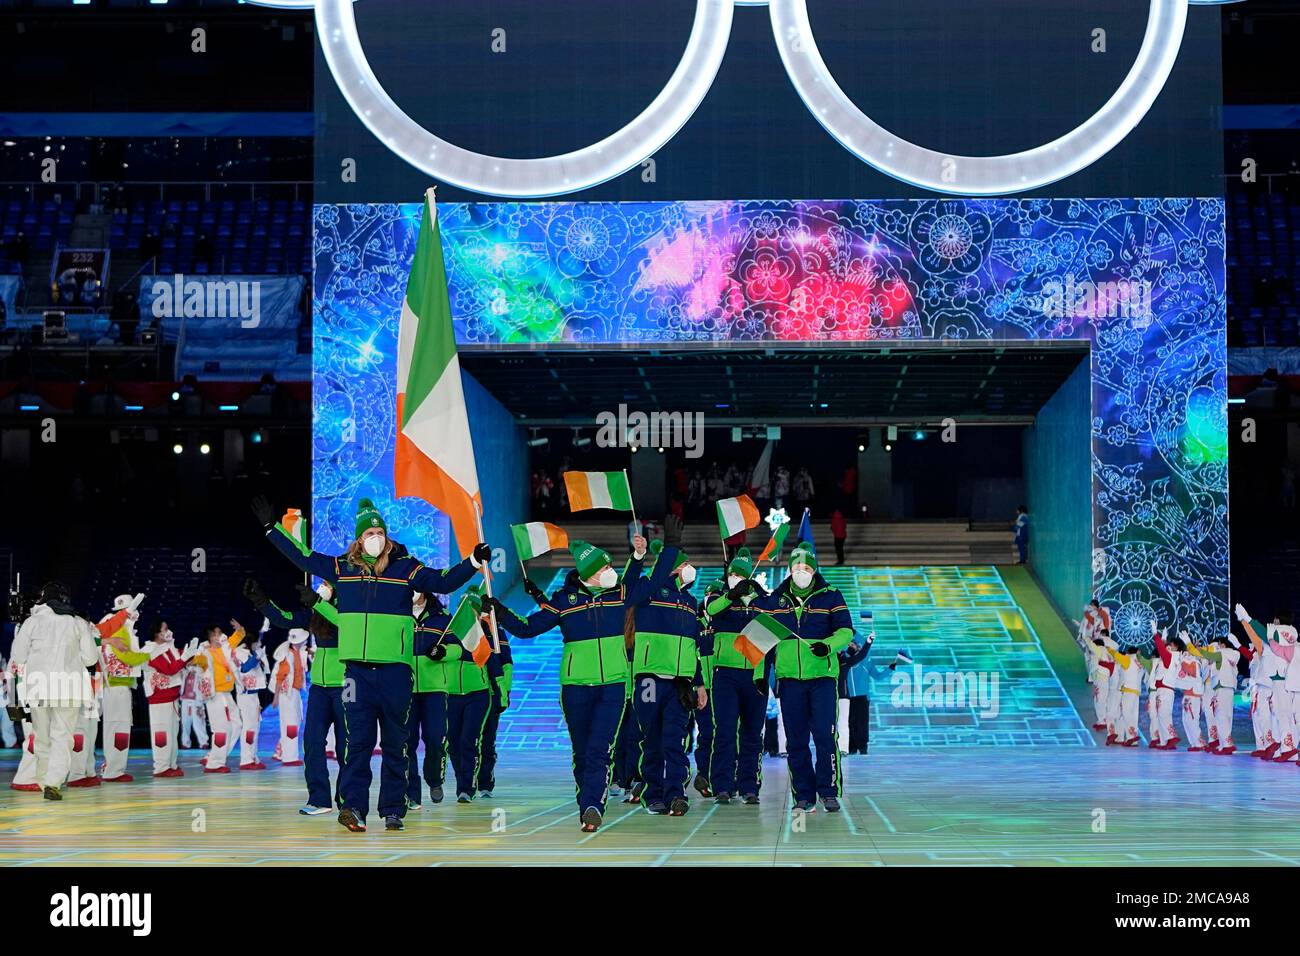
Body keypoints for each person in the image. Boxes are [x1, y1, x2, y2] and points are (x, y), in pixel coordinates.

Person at [253, 494, 489, 833]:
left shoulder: (407, 569)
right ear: (359, 539)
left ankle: (393, 809)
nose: (375, 537)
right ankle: (353, 808)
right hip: (356, 676)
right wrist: (270, 528)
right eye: (369, 533)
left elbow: (443, 580)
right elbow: (303, 557)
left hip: (396, 672)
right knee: (358, 745)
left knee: (396, 744)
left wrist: (472, 561)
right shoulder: (341, 569)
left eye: (380, 532)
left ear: (387, 536)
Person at [487, 533, 671, 832]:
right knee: (583, 751)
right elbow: (525, 629)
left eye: (610, 565)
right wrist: (499, 610)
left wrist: (664, 548)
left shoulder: (619, 595)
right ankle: (585, 799)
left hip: (612, 686)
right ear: (588, 574)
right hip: (575, 688)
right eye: (603, 568)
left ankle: (592, 807)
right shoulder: (563, 602)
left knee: (600, 749)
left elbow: (653, 581)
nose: (609, 571)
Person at [751, 543, 855, 812]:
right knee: (796, 741)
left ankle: (829, 791)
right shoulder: (777, 600)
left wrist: (828, 645)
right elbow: (762, 641)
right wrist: (760, 675)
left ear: (814, 569)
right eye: (797, 567)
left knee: (824, 735)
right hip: (789, 681)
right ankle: (803, 795)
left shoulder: (831, 595)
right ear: (789, 569)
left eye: (806, 567)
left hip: (822, 678)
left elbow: (846, 631)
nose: (801, 572)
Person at [9, 582, 108, 800]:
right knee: (62, 737)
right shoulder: (77, 623)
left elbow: (18, 656)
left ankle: (44, 780)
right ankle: (53, 784)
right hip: (69, 688)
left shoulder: (32, 622)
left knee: (42, 737)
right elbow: (91, 658)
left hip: (38, 688)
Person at [629, 546, 706, 816]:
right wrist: (657, 554)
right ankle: (653, 795)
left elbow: (691, 646)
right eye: (686, 563)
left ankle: (676, 794)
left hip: (680, 684)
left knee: (675, 741)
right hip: (650, 679)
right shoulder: (649, 593)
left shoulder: (690, 602)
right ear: (673, 567)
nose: (690, 568)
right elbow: (628, 587)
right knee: (652, 740)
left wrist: (698, 682)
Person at [702, 548, 768, 804]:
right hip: (725, 675)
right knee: (725, 731)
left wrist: (762, 674)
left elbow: (768, 640)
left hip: (754, 675)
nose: (735, 577)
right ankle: (722, 785)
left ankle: (749, 785)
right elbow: (711, 611)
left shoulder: (762, 600)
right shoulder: (718, 596)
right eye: (732, 573)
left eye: (740, 573)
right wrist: (732, 595)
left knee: (752, 733)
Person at [408, 591, 457, 809]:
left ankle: (435, 780)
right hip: (404, 687)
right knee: (405, 742)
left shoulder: (442, 617)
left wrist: (443, 651)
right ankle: (411, 793)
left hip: (435, 689)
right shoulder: (396, 612)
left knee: (435, 739)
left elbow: (458, 648)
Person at [98, 593, 150, 782]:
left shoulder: (113, 626)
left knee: (114, 726)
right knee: (118, 727)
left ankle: (111, 767)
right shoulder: (120, 629)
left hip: (112, 684)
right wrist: (147, 655)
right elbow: (126, 656)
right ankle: (114, 770)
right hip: (117, 685)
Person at [143, 620, 198, 777]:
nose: (169, 631)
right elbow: (169, 669)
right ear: (157, 633)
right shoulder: (150, 650)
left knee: (172, 732)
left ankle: (171, 765)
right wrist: (185, 656)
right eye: (165, 629)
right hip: (159, 698)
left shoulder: (168, 647)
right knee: (162, 733)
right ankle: (161, 767)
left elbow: (183, 660)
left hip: (172, 696)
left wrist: (192, 653)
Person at [191, 621, 247, 772]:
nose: (220, 635)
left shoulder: (225, 647)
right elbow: (197, 661)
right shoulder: (205, 652)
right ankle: (214, 763)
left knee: (237, 725)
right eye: (216, 633)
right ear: (210, 637)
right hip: (215, 695)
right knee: (221, 729)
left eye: (221, 632)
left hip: (227, 694)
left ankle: (215, 755)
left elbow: (239, 635)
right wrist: (192, 656)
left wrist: (239, 628)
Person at [476, 632, 513, 799]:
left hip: (491, 693)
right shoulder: (461, 627)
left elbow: (506, 664)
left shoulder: (496, 632)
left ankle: (484, 783)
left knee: (487, 741)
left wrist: (504, 692)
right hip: (465, 693)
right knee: (462, 741)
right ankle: (466, 782)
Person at [270, 628, 310, 767]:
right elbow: (280, 678)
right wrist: (275, 697)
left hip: (295, 692)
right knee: (290, 724)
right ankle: (289, 757)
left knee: (296, 721)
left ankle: (281, 750)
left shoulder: (298, 653)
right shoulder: (287, 656)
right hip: (287, 694)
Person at [234, 624, 269, 770]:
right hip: (246, 696)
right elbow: (244, 667)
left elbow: (263, 671)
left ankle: (253, 757)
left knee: (255, 727)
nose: (259, 644)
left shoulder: (252, 652)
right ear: (251, 642)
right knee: (249, 727)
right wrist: (256, 657)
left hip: (254, 696)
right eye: (257, 642)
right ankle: (246, 759)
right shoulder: (240, 652)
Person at [179, 657, 210, 749]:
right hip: (185, 700)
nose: (190, 665)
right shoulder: (184, 673)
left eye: (192, 663)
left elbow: (205, 673)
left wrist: (196, 669)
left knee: (199, 722)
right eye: (188, 664)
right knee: (185, 722)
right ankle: (185, 743)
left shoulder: (201, 672)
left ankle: (204, 742)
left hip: (197, 700)